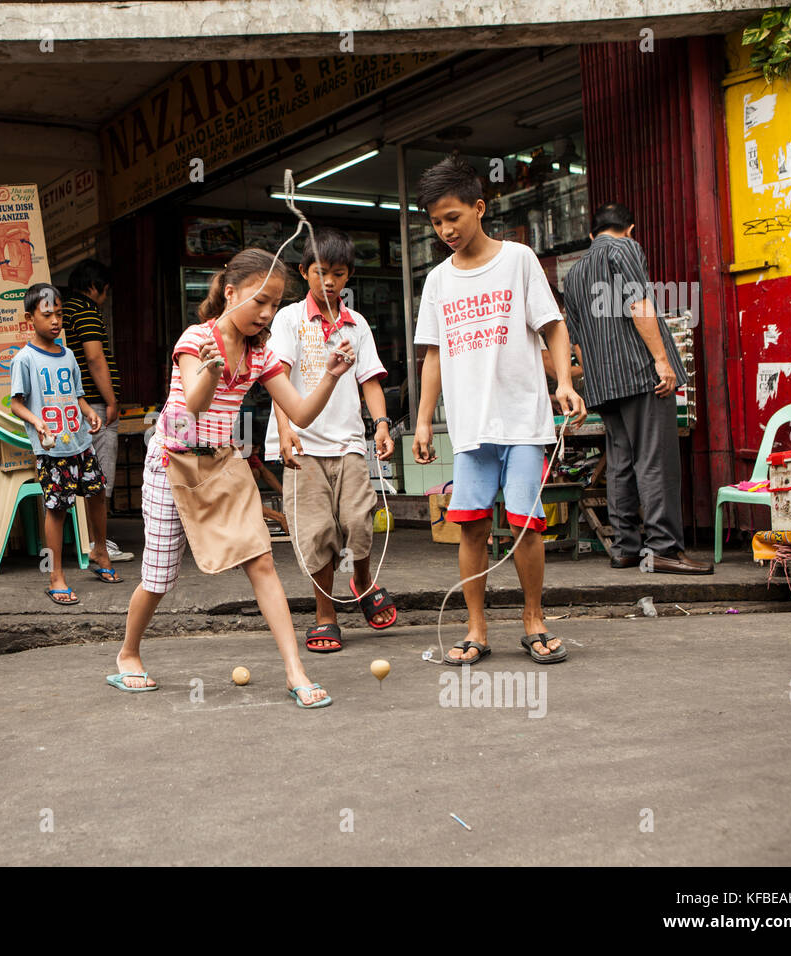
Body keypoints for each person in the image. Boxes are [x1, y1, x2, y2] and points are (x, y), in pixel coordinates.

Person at [107, 248, 356, 707]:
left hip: (222, 464)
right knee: (159, 578)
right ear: (230, 292)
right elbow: (193, 406)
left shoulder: (261, 354)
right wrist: (211, 369)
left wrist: (332, 377)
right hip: (173, 464)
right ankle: (128, 654)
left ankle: (296, 672)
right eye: (259, 300)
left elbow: (298, 411)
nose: (266, 313)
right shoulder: (196, 338)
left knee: (261, 561)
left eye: (276, 304)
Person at [412, 155, 586, 666]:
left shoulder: (518, 260)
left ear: (479, 207)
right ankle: (476, 626)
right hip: (469, 428)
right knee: (470, 525)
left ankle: (534, 619)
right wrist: (424, 420)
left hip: (523, 420)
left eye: (453, 217)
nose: (445, 229)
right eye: (437, 221)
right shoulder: (438, 282)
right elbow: (433, 356)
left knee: (526, 523)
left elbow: (552, 325)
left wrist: (564, 383)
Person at [265, 227, 396, 653]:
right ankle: (325, 614)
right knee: (318, 530)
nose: (329, 282)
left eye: (338, 274)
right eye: (321, 272)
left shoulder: (356, 325)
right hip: (303, 444)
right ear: (304, 272)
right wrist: (284, 431)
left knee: (358, 520)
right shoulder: (289, 320)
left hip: (349, 442)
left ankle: (361, 578)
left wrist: (380, 424)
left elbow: (371, 381)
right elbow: (277, 378)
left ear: (348, 277)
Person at [562, 203, 712, 574]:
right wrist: (661, 360)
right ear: (629, 229)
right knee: (655, 461)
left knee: (621, 464)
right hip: (640, 374)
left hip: (604, 382)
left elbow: (576, 338)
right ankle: (663, 548)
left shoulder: (575, 272)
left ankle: (625, 547)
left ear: (591, 234)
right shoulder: (625, 248)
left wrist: (594, 377)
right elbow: (639, 303)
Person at [9, 283, 121, 605]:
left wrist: (89, 414)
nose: (55, 321)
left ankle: (99, 550)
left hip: (80, 441)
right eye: (48, 315)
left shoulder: (69, 354)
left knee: (98, 493)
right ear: (30, 318)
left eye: (59, 314)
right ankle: (56, 574)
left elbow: (77, 395)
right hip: (51, 449)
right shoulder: (24, 359)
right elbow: (15, 403)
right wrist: (36, 421)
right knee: (56, 509)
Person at [62, 260, 132, 563]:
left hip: (72, 405)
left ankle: (88, 540)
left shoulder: (62, 312)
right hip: (94, 405)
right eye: (105, 293)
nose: (104, 299)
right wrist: (112, 399)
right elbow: (94, 358)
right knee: (99, 475)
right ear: (96, 287)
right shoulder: (87, 311)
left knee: (80, 473)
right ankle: (97, 543)